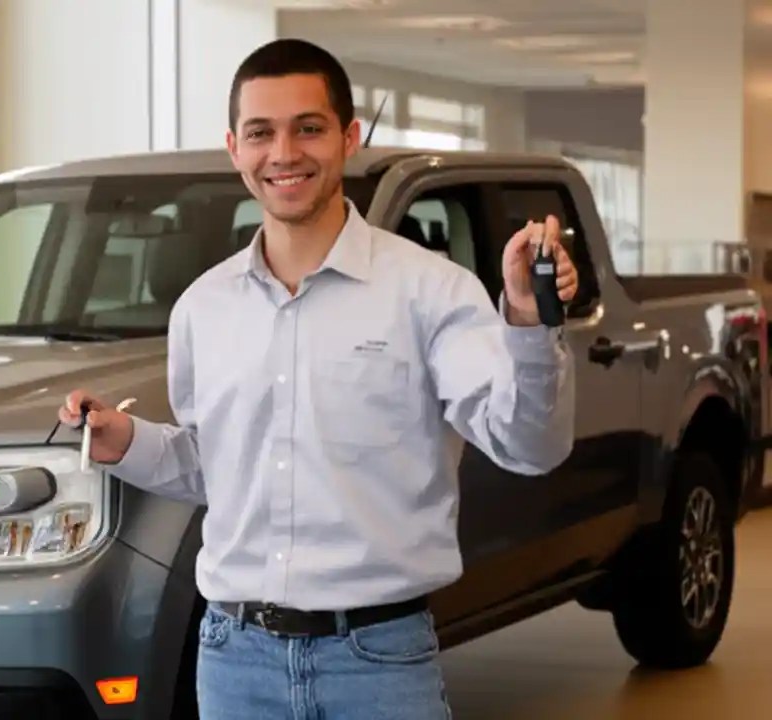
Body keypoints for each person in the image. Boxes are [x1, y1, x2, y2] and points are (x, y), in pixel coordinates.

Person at [58, 38, 578, 719]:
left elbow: (531, 445)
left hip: (378, 662)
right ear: (234, 148)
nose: (284, 153)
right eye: (260, 133)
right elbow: (221, 471)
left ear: (348, 137)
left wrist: (527, 323)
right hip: (232, 661)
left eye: (308, 128)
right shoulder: (204, 310)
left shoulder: (430, 291)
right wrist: (125, 441)